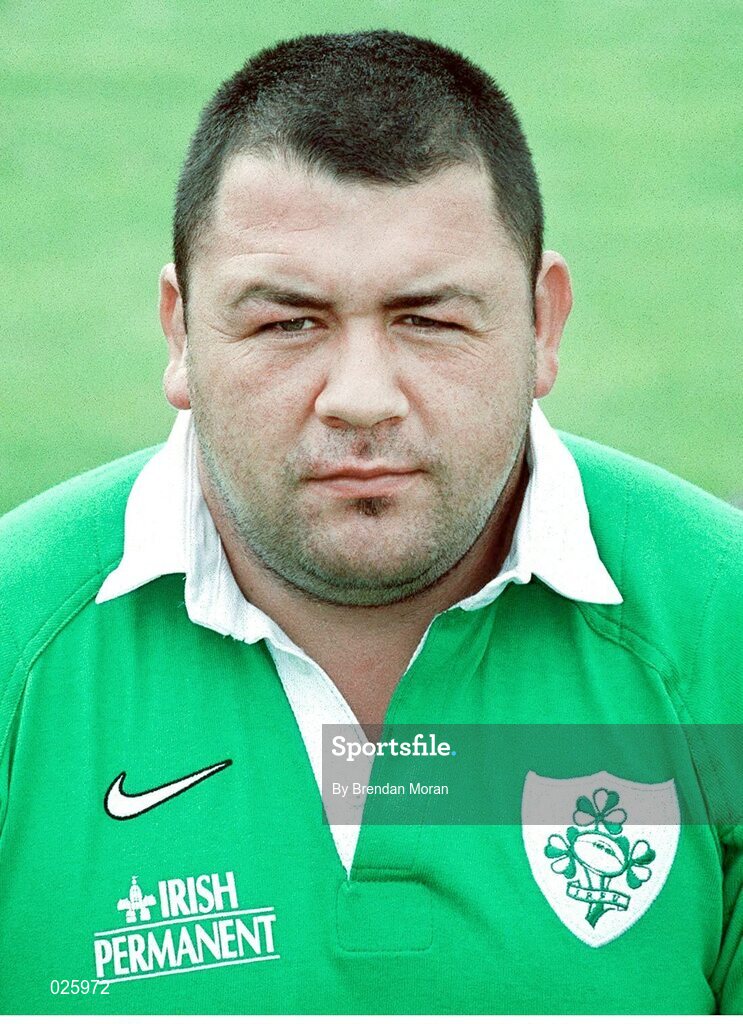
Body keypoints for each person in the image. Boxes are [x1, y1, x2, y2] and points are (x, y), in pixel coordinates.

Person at [0, 29, 740, 1015]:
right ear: (180, 331)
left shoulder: (721, 629)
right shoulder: (15, 638)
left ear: (541, 323)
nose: (359, 397)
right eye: (286, 321)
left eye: (428, 319)